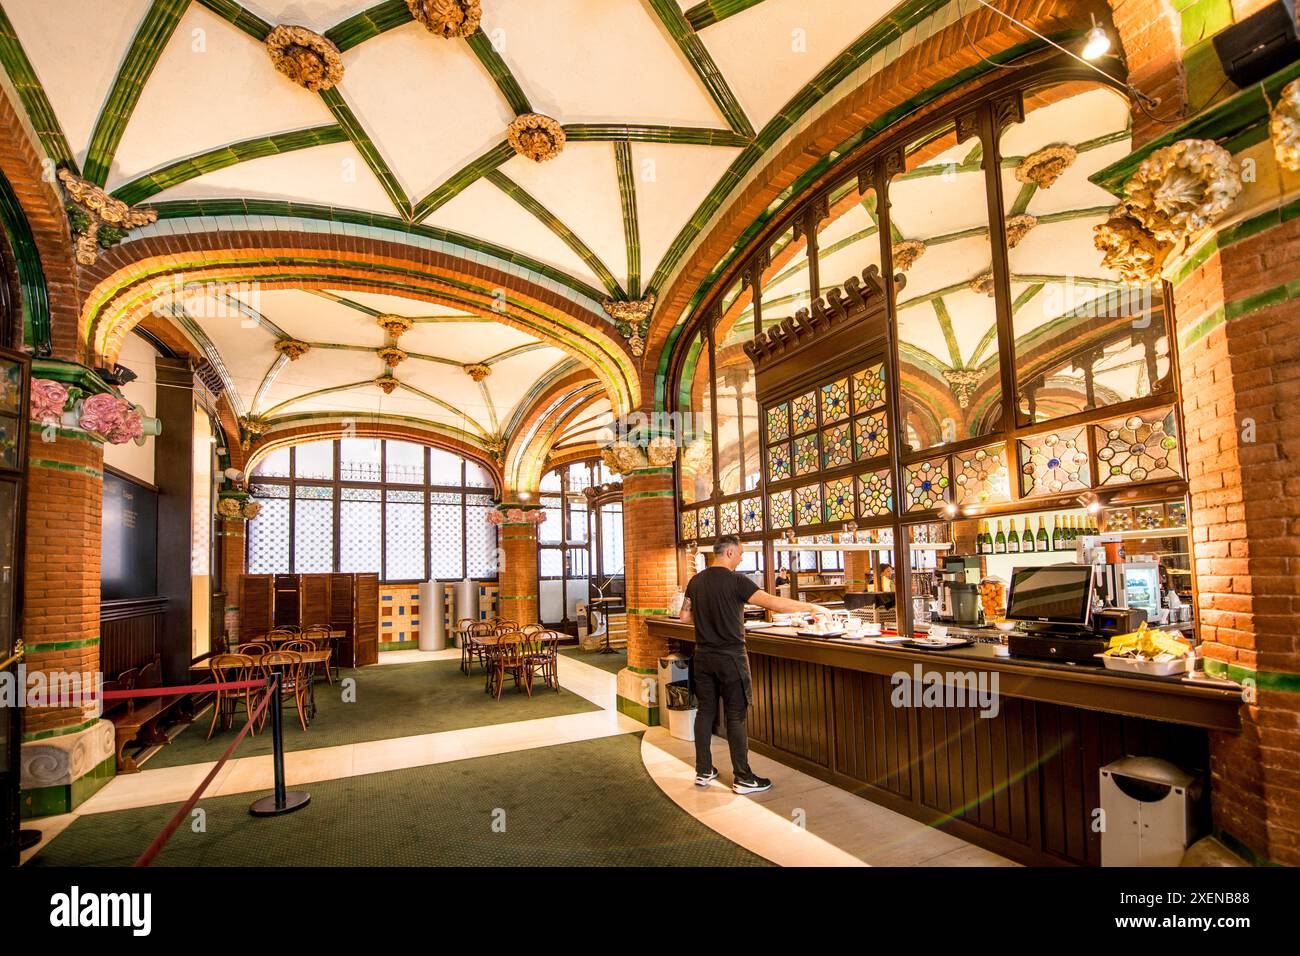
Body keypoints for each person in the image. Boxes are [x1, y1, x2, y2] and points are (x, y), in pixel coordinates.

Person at [679, 535, 832, 794]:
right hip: (731, 657)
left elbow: (684, 617)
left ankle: (703, 770)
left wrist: (708, 623)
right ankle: (743, 777)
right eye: (740, 554)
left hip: (703, 655)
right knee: (736, 716)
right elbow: (774, 603)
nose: (741, 558)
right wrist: (810, 607)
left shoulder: (696, 581)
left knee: (705, 712)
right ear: (728, 553)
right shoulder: (737, 580)